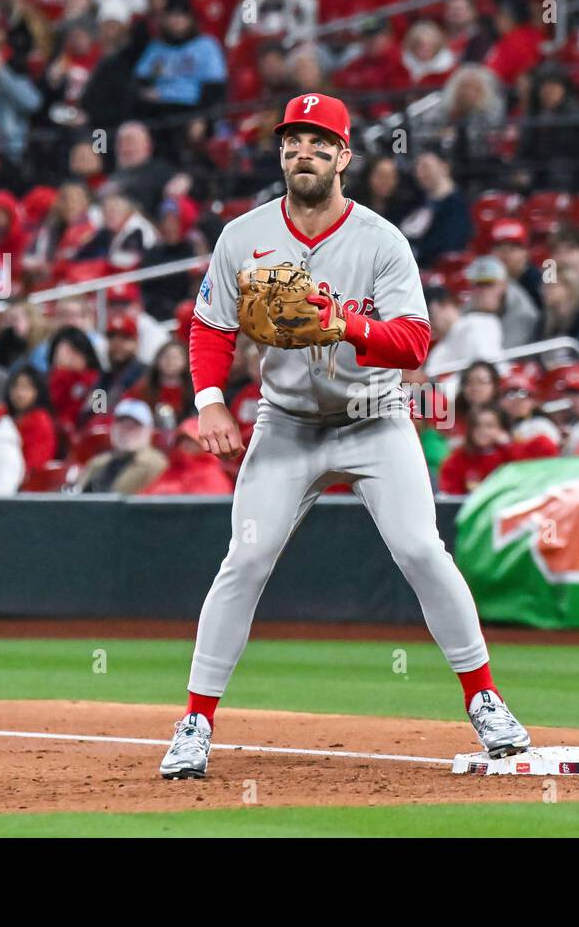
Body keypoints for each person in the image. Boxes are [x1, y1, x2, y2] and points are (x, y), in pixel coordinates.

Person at [163, 92, 533, 780]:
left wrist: (346, 325)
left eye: (318, 143)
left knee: (422, 548)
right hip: (287, 423)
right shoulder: (243, 237)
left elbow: (415, 342)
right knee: (244, 560)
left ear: (344, 157)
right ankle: (195, 722)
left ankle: (484, 698)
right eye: (292, 142)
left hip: (374, 420)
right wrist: (210, 403)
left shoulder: (381, 240)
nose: (302, 153)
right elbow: (212, 326)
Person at [437, 404, 557, 492]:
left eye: (490, 426)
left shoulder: (510, 452)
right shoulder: (457, 459)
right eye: (477, 426)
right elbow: (451, 493)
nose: (482, 431)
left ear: (501, 429)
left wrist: (508, 445)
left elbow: (545, 453)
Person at [76, 398, 168, 493]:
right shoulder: (98, 463)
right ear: (113, 428)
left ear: (148, 430)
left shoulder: (157, 465)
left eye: (134, 426)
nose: (127, 431)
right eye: (122, 425)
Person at [142, 416, 234, 494]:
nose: (185, 445)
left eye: (192, 441)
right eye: (182, 441)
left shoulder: (213, 476)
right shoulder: (171, 470)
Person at [5, 365, 57, 475]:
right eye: (15, 387)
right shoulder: (3, 417)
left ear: (38, 391)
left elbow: (35, 465)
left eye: (26, 388)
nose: (19, 394)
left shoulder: (40, 421)